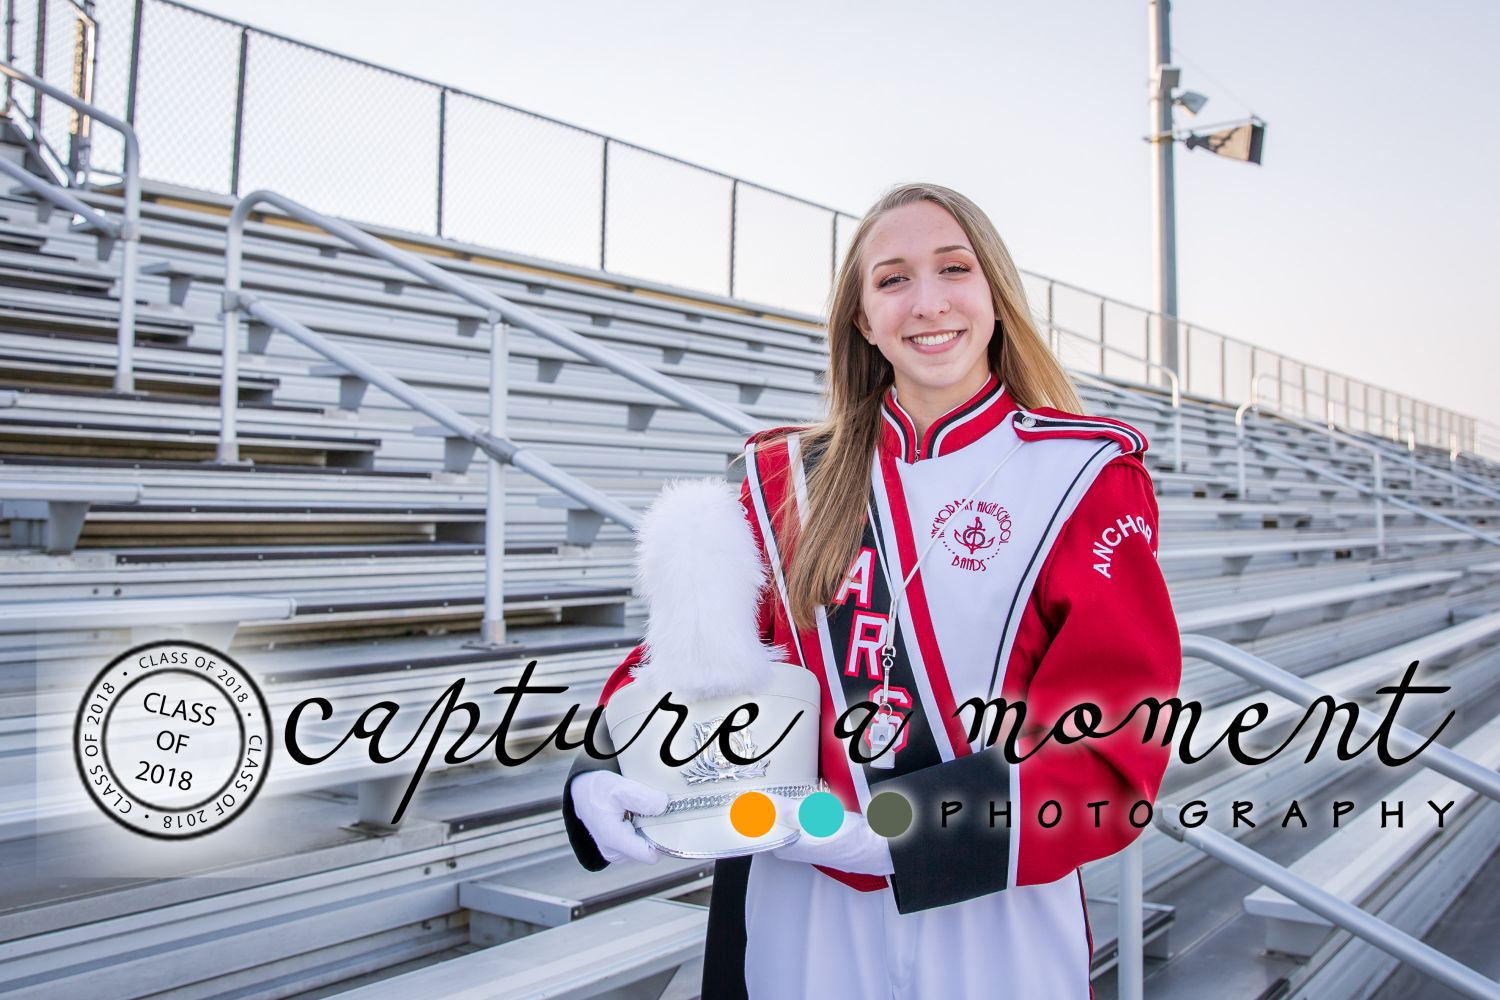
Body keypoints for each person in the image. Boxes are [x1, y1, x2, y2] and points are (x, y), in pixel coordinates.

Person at [561, 182, 1181, 999]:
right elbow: (692, 660)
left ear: (994, 293)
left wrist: (898, 836)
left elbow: (1112, 740)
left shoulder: (1082, 475)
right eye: (892, 279)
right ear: (862, 317)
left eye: (953, 269)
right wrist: (603, 769)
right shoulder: (784, 480)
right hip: (801, 895)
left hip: (999, 904)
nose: (927, 302)